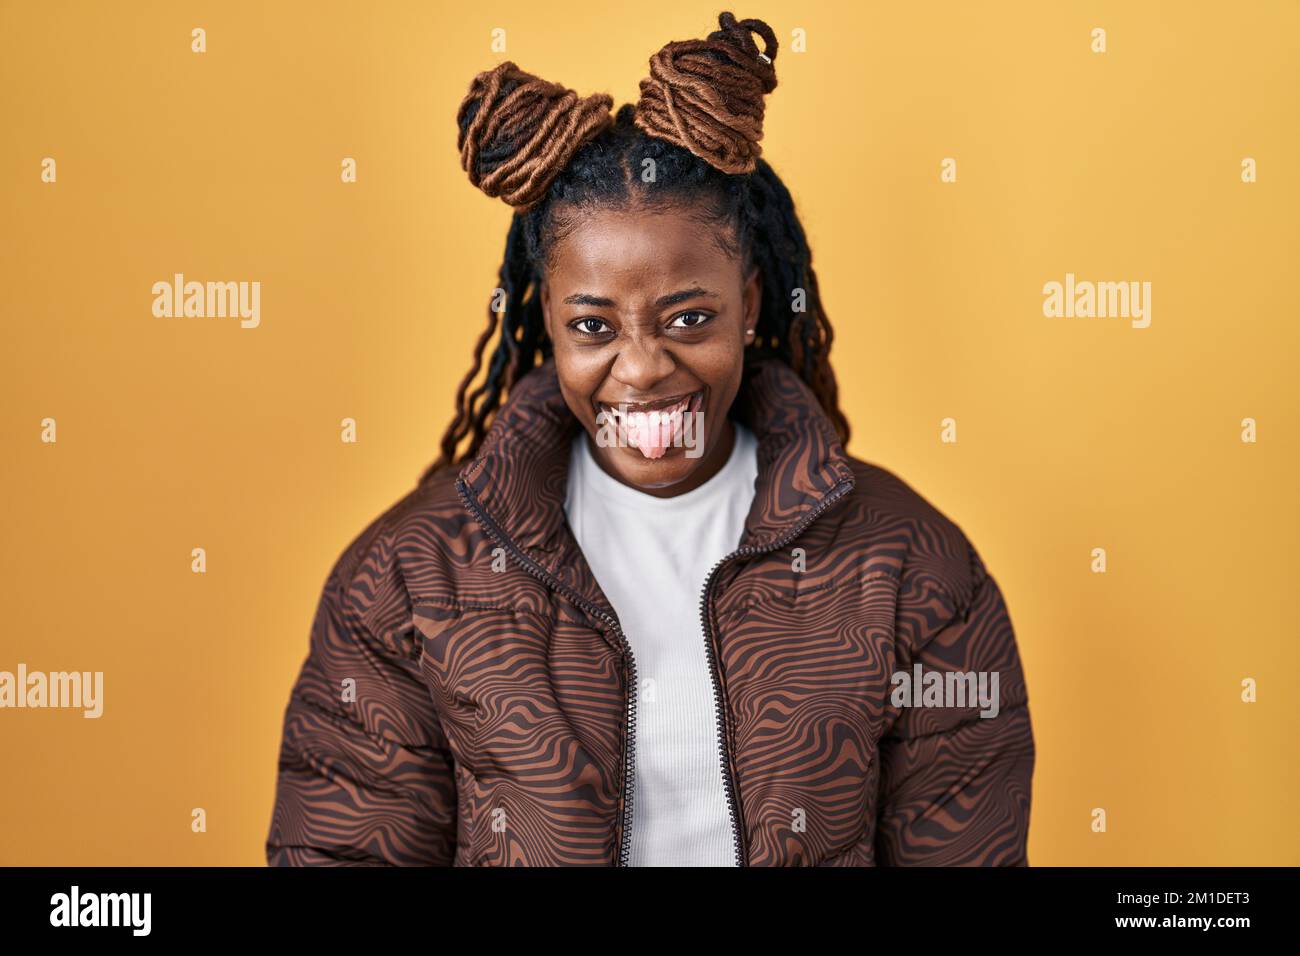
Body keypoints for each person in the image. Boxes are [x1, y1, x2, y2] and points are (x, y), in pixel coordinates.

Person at [266, 11, 1034, 867]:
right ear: (545, 323)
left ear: (750, 305)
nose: (641, 368)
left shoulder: (911, 564)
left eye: (689, 318)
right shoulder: (411, 575)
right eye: (593, 326)